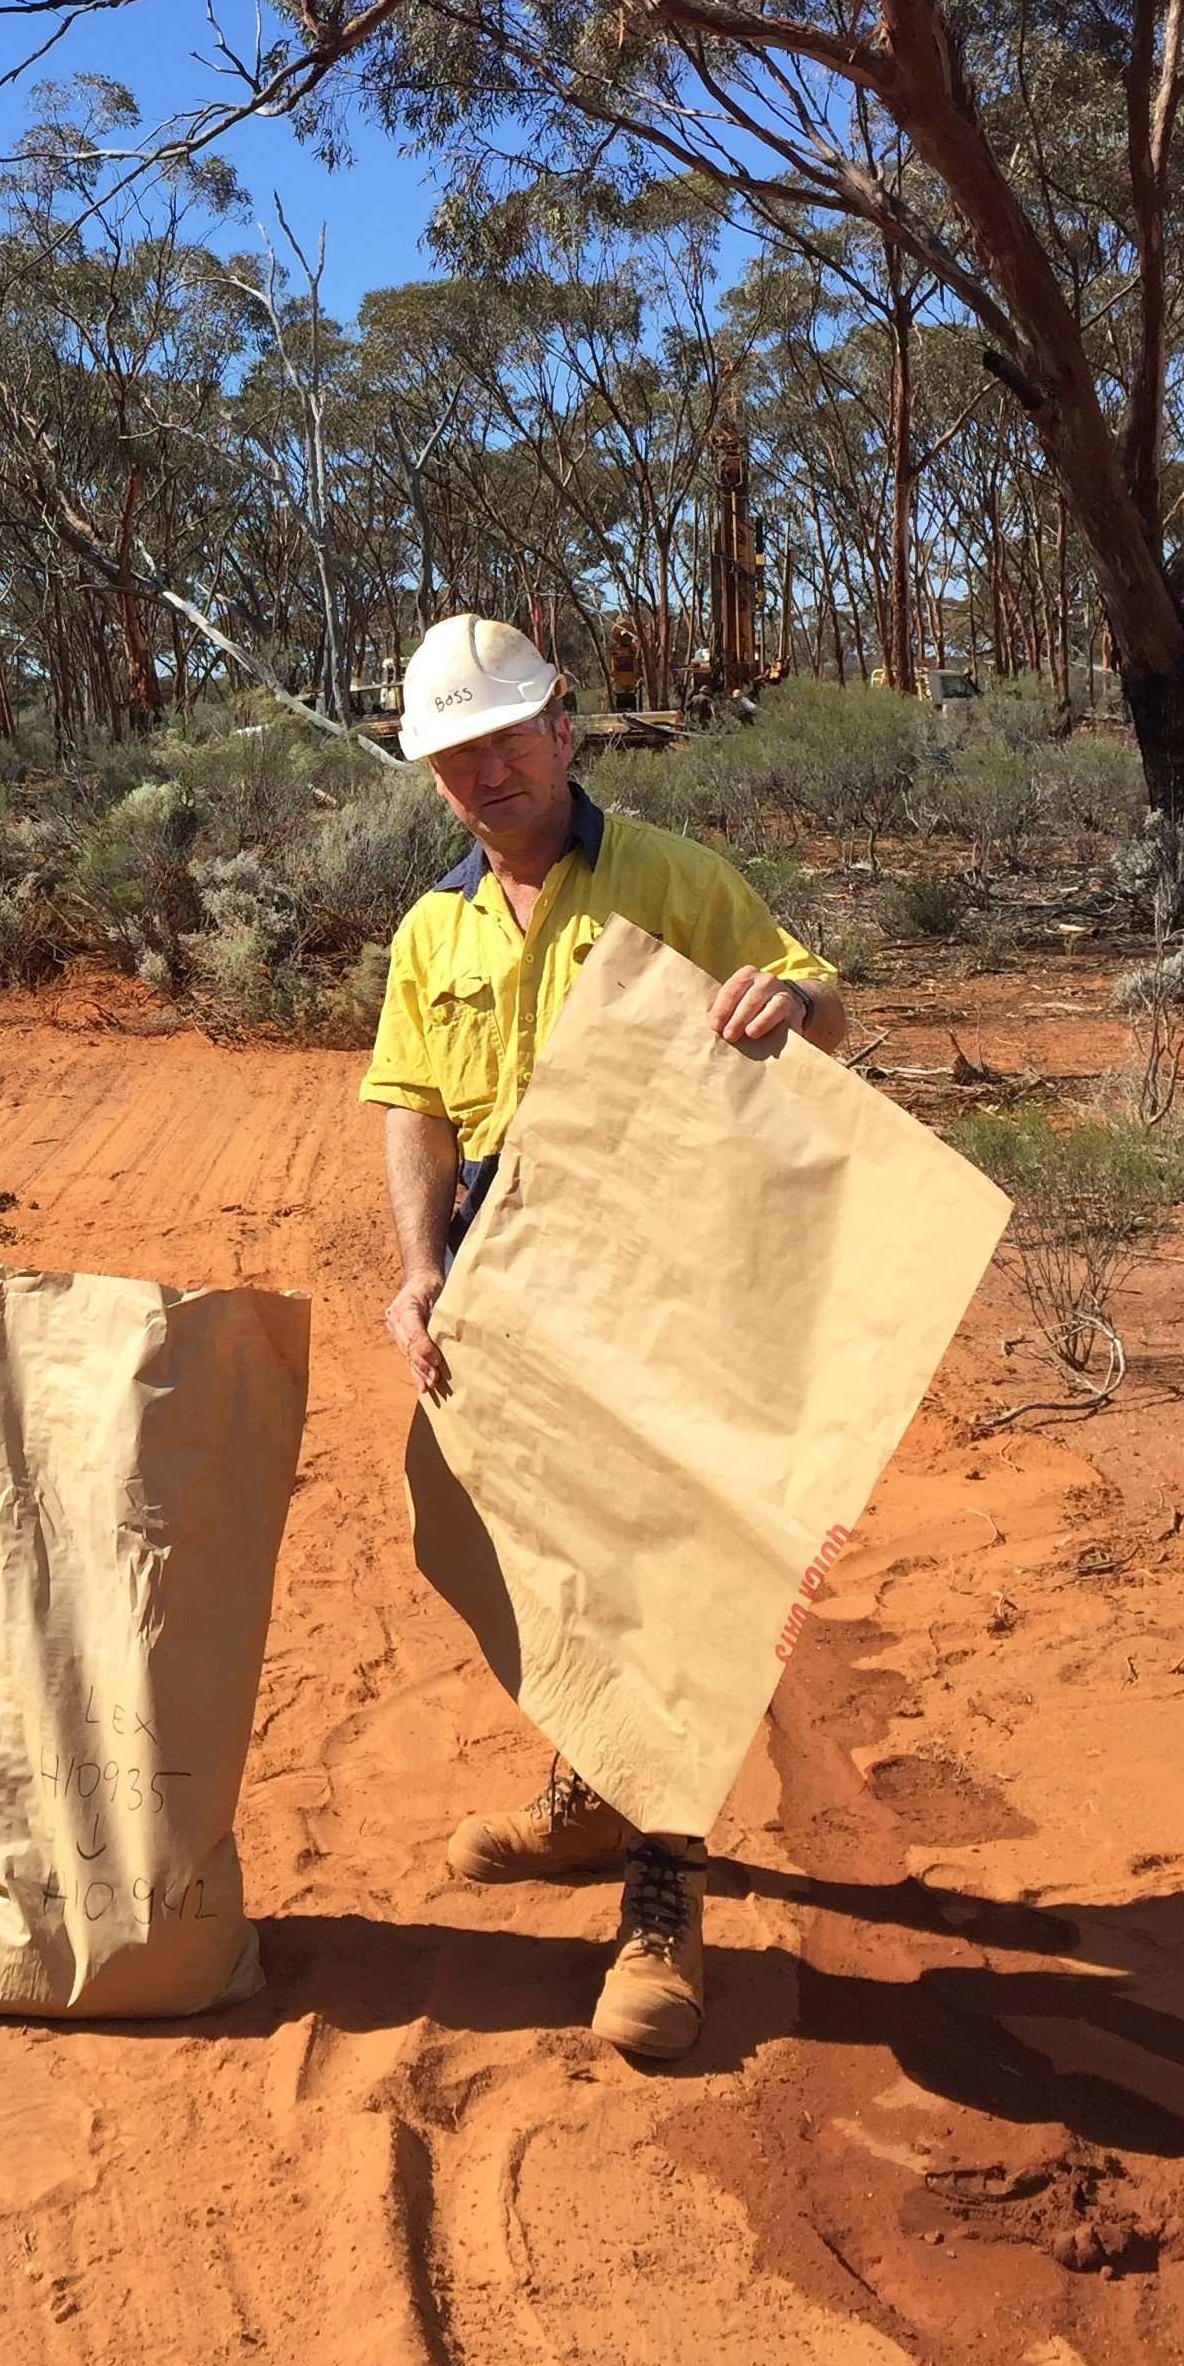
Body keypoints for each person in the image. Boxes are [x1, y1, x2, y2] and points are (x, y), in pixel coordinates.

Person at [360, 613, 848, 2060]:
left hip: (662, 1281)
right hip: (506, 1283)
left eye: (507, 737)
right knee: (549, 1562)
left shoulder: (669, 878)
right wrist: (420, 1269)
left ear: (563, 730)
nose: (487, 771)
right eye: (456, 753)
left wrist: (789, 1002)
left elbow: (823, 1002)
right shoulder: (432, 930)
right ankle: (589, 1791)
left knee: (665, 1576)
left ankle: (665, 1879)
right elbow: (413, 1106)